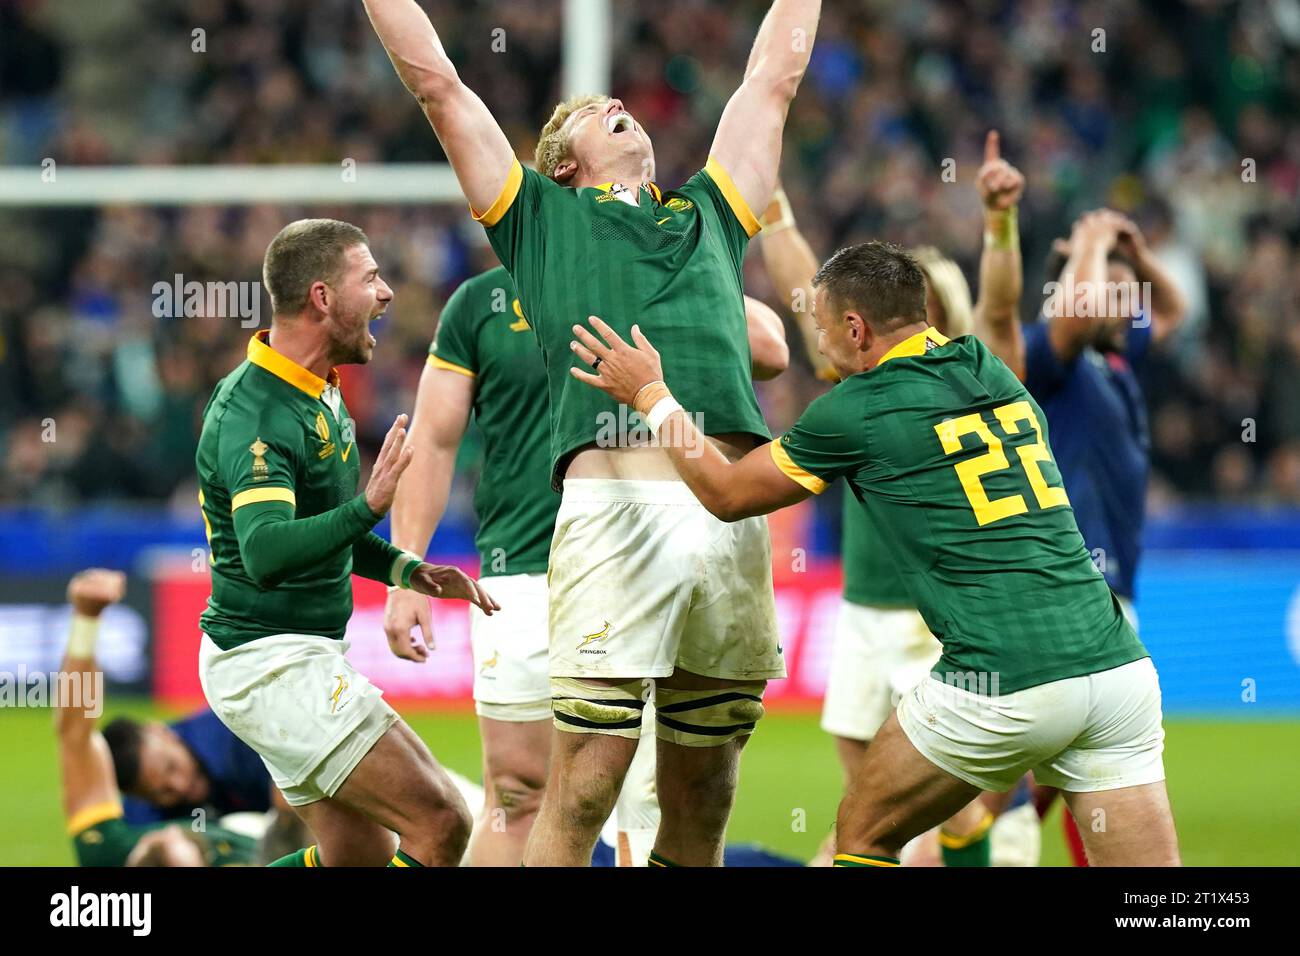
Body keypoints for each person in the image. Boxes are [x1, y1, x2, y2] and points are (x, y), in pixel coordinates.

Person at [363, 0, 820, 866]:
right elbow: (439, 85)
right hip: (615, 515)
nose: (614, 102)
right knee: (579, 793)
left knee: (703, 796)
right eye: (588, 113)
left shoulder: (712, 214)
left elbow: (774, 79)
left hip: (731, 523)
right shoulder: (538, 220)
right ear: (565, 163)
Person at [568, 240, 1180, 867]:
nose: (821, 349)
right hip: (1117, 670)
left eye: (822, 328)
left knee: (862, 835)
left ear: (855, 328)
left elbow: (726, 493)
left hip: (1003, 676)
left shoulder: (855, 409)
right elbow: (998, 311)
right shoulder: (987, 367)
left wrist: (652, 398)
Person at [384, 258, 788, 865]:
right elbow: (433, 441)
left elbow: (771, 348)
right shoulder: (482, 302)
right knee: (517, 796)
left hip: (641, 565)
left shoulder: (663, 274)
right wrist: (405, 567)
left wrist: (666, 267)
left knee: (650, 801)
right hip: (519, 573)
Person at [756, 132, 1037, 866]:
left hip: (931, 614)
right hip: (862, 607)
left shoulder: (958, 381)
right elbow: (803, 297)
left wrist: (1000, 226)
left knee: (953, 793)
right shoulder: (867, 389)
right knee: (869, 784)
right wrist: (776, 212)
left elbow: (1001, 312)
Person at [195, 217, 498, 867]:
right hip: (268, 663)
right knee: (442, 822)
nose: (387, 293)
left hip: (295, 656)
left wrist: (404, 570)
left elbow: (324, 531)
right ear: (323, 298)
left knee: (357, 855)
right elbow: (268, 552)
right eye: (371, 278)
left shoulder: (319, 389)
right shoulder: (257, 414)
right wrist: (369, 507)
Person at [982, 206, 1189, 864]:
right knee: (1092, 769)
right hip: (1071, 593)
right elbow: (1079, 306)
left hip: (1111, 594)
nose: (1123, 301)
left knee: (1075, 773)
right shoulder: (1050, 360)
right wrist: (1095, 240)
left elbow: (1174, 310)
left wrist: (1134, 250)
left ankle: (988, 835)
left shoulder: (1113, 360)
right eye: (1110, 287)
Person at [56, 568, 258, 866]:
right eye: (161, 792)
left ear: (161, 732)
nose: (177, 787)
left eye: (171, 768)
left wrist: (87, 618)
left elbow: (75, 733)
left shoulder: (116, 846)